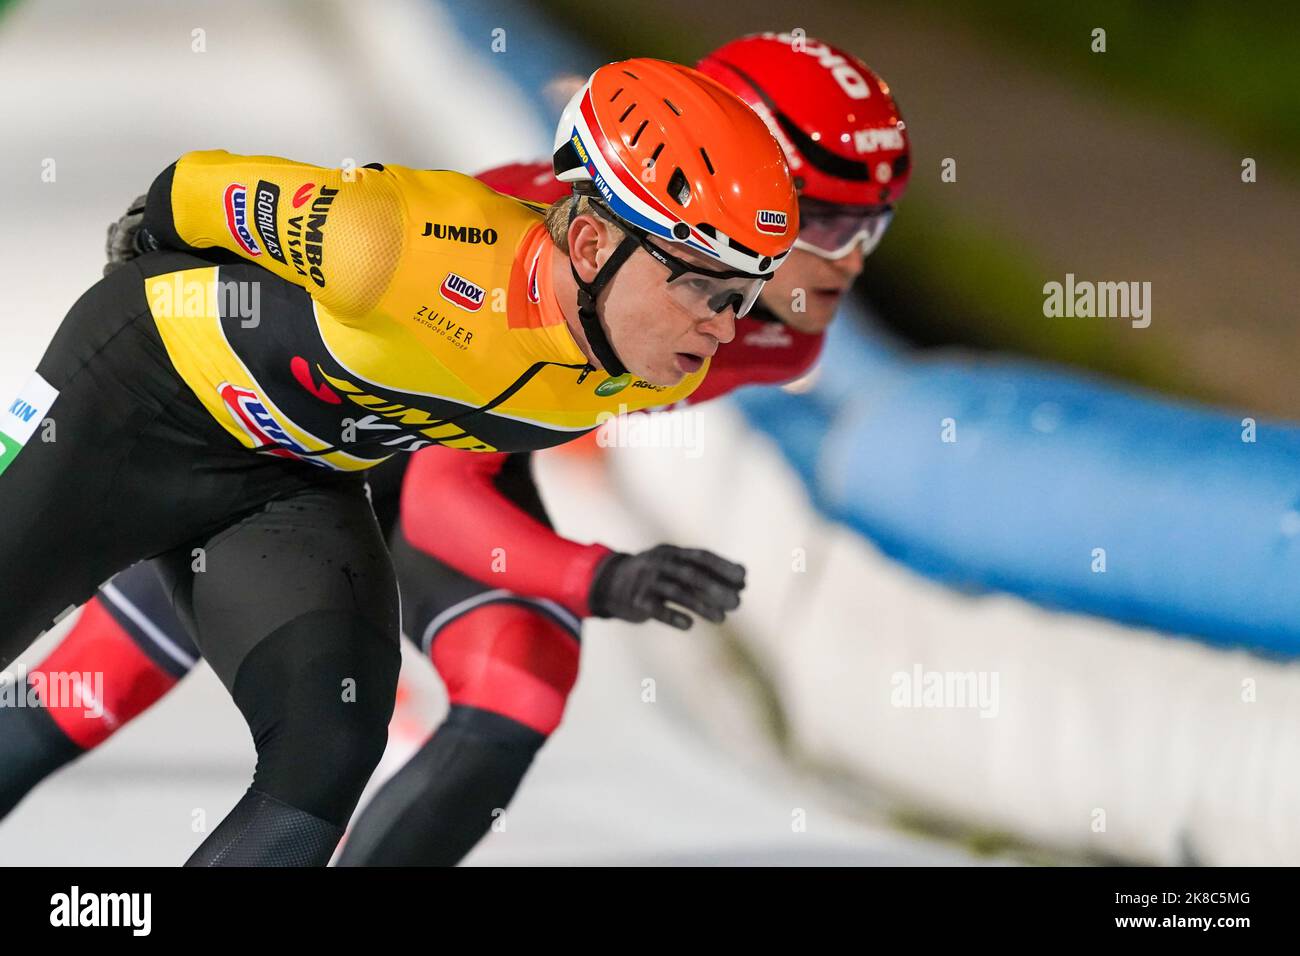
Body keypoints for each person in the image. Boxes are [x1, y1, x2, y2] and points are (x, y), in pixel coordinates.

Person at [0, 57, 797, 866]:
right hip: (128, 403)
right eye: (706, 289)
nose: (726, 328)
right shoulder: (398, 245)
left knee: (329, 744)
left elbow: (444, 499)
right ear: (591, 242)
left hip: (284, 479)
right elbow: (190, 190)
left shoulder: (651, 364)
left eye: (744, 295)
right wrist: (140, 248)